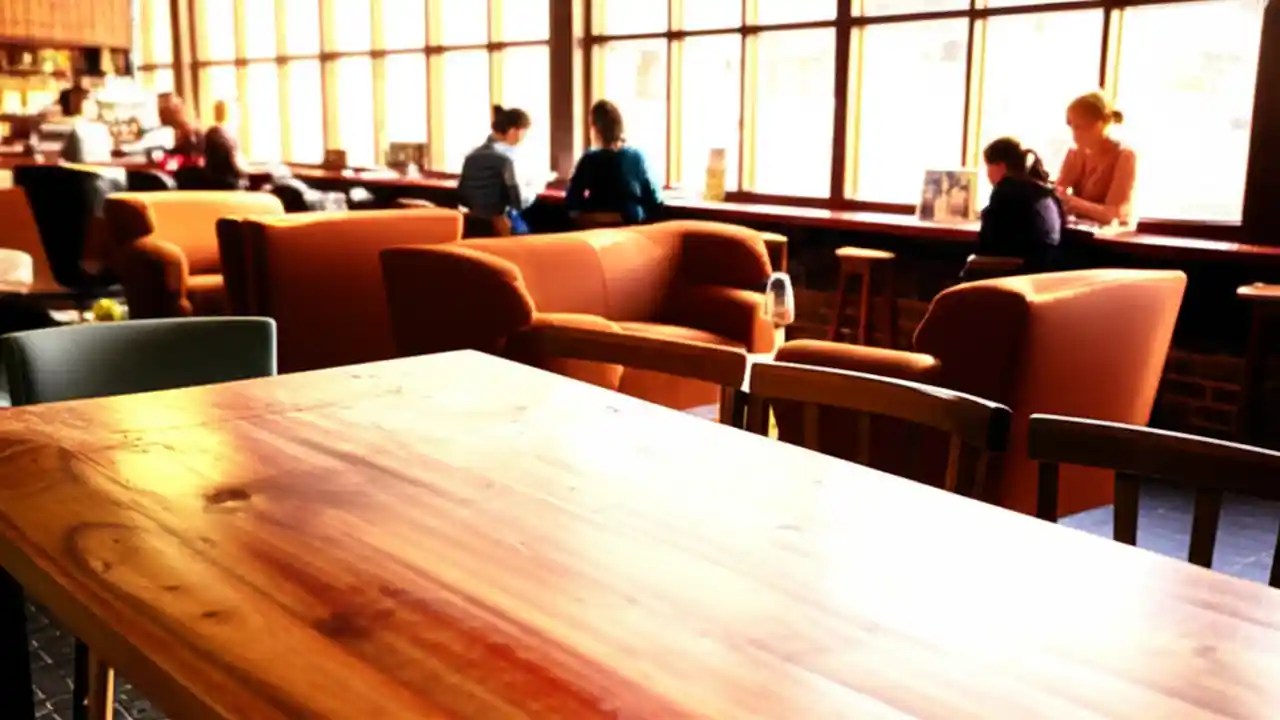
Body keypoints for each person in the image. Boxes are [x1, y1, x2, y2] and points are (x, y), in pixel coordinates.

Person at [972, 137, 1065, 275]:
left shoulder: (1007, 189)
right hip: (1044, 269)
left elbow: (989, 240)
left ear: (1000, 166)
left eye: (988, 166)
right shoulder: (1043, 189)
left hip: (1015, 270)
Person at [566, 100, 662, 225]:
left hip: (596, 228)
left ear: (595, 129)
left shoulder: (590, 160)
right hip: (631, 225)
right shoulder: (637, 157)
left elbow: (572, 202)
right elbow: (653, 199)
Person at [1055, 91, 1137, 227]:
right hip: (1080, 231)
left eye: (1080, 128)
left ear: (1100, 124)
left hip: (1111, 236)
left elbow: (1115, 214)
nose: (1075, 136)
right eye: (1072, 127)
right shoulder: (1075, 154)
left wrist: (1073, 202)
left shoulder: (1124, 157)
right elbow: (1058, 193)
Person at [457, 105, 538, 235]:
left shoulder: (471, 156)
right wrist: (534, 190)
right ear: (513, 131)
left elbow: (463, 194)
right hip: (501, 225)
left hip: (472, 224)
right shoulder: (505, 160)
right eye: (524, 132)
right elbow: (518, 201)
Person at [57, 86, 113, 164]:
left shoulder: (79, 126)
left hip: (86, 166)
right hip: (102, 166)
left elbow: (68, 155)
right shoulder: (102, 128)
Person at [202, 100, 246, 190]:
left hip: (212, 182)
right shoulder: (228, 135)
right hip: (229, 183)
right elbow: (236, 163)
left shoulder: (210, 133)